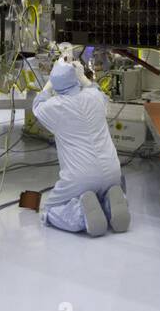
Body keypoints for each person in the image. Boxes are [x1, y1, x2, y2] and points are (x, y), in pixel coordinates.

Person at [32, 60, 130, 237]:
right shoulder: (95, 98)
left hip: (81, 177)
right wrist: (81, 76)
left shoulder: (55, 107)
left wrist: (49, 83)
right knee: (99, 190)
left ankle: (81, 215)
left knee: (50, 209)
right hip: (113, 171)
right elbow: (97, 90)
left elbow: (37, 106)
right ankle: (111, 199)